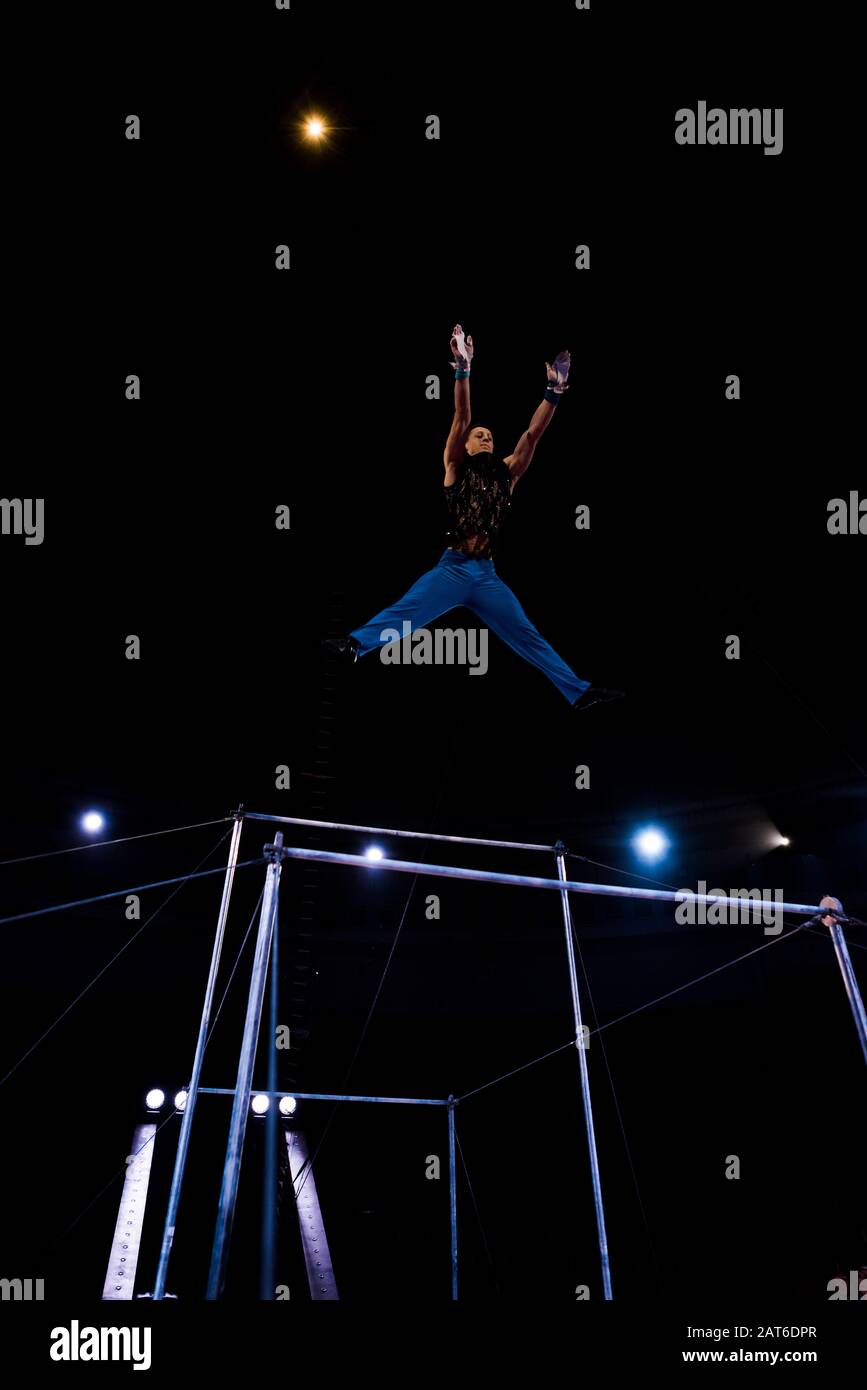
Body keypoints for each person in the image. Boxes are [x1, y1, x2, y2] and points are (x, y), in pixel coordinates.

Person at [323, 324, 624, 711]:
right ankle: (355, 645)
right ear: (465, 444)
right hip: (452, 569)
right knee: (406, 611)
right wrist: (462, 369)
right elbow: (461, 415)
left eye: (489, 436)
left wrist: (554, 393)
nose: (486, 437)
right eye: (479, 435)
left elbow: (532, 436)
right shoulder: (454, 466)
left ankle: (579, 692)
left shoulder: (508, 473)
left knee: (526, 633)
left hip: (486, 576)